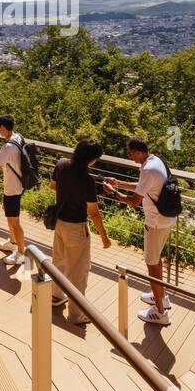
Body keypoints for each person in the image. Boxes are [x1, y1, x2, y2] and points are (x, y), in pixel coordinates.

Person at [103, 137, 175, 326]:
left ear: (138, 151)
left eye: (130, 153)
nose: (129, 156)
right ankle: (161, 297)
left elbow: (135, 201)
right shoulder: (154, 161)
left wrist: (113, 192)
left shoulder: (149, 169)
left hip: (156, 223)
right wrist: (119, 183)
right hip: (165, 219)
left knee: (151, 264)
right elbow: (143, 188)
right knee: (156, 259)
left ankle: (160, 312)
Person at [49, 139, 111, 324]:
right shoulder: (87, 180)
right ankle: (76, 314)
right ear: (91, 159)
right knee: (78, 271)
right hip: (77, 228)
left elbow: (52, 186)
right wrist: (105, 237)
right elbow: (94, 213)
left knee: (59, 261)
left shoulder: (61, 164)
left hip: (60, 223)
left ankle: (56, 296)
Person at [0, 114, 29, 267]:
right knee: (10, 216)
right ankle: (13, 242)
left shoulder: (7, 147)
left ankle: (21, 253)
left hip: (13, 189)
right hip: (18, 184)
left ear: (3, 127)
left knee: (14, 221)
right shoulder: (18, 137)